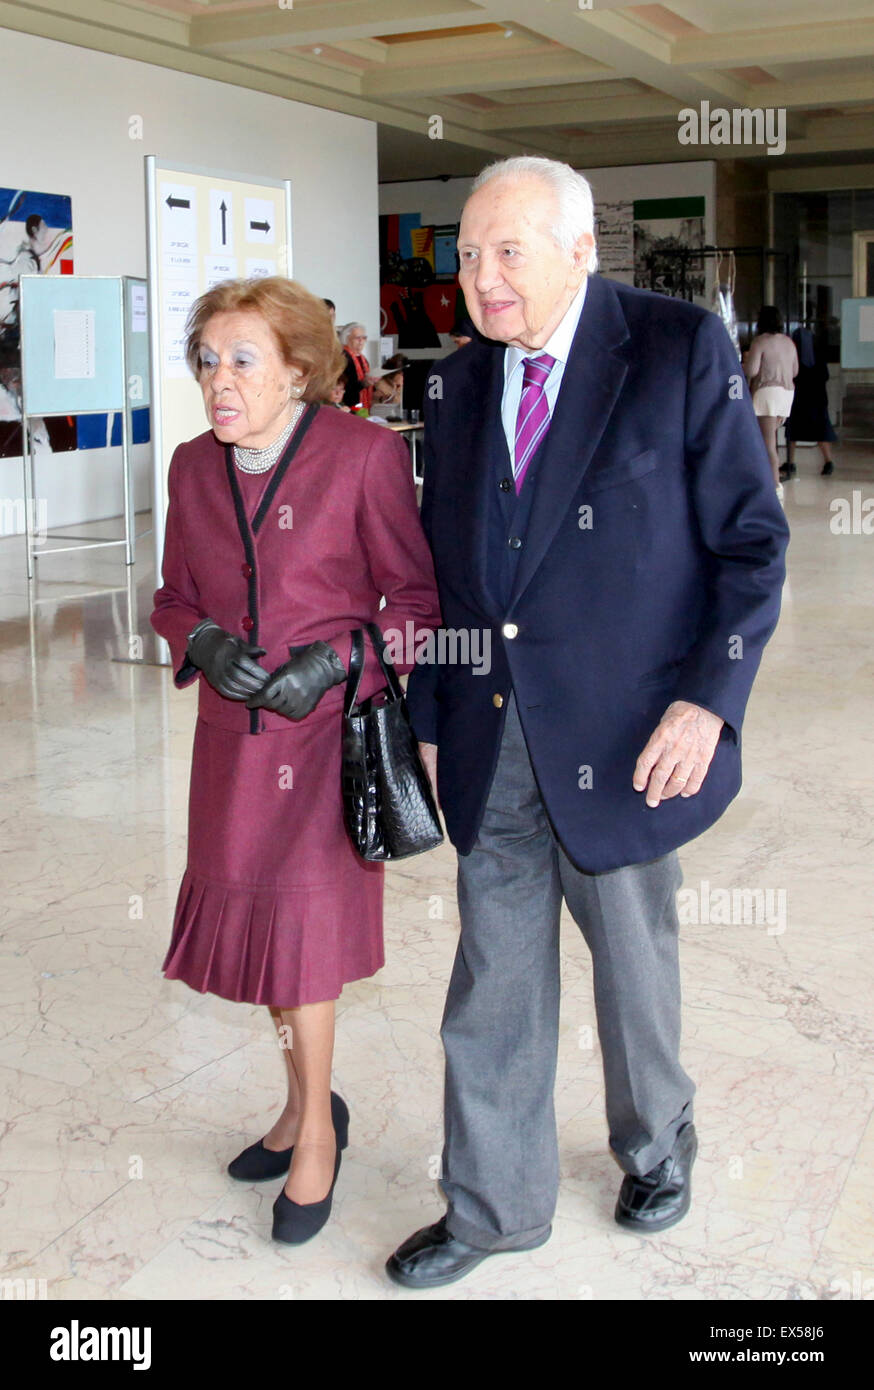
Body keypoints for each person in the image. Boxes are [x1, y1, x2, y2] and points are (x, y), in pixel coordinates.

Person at [386, 156, 789, 1290]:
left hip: (628, 735)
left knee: (631, 966)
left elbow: (750, 546)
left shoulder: (672, 348)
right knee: (492, 982)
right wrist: (430, 708)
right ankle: (493, 1206)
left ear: (579, 250)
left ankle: (657, 1140)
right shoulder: (457, 388)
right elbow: (446, 577)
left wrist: (708, 699)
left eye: (507, 251)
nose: (480, 278)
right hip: (489, 734)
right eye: (466, 255)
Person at [150, 276, 440, 1247]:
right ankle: (300, 1101)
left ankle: (315, 1130)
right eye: (206, 360)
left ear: (299, 370)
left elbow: (412, 606)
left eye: (241, 361)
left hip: (326, 746)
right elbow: (171, 597)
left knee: (306, 947)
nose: (217, 381)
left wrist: (335, 660)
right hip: (232, 753)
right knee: (271, 945)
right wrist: (200, 643)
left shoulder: (362, 458)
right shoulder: (192, 467)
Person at [743, 306, 798, 498]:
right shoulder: (789, 342)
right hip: (787, 393)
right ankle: (770, 482)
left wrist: (744, 363)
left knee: (768, 445)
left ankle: (774, 486)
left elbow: (751, 371)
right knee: (771, 441)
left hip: (767, 393)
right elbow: (796, 370)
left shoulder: (760, 342)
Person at [782, 324, 837, 478]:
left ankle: (790, 462)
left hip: (799, 399)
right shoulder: (819, 355)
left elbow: (792, 374)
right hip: (818, 399)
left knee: (793, 432)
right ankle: (828, 462)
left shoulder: (794, 355)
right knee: (820, 432)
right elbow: (825, 376)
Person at [340, 322, 374, 411]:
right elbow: (344, 385)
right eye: (357, 338)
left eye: (364, 338)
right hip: (348, 405)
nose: (361, 341)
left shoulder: (363, 359)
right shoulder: (343, 357)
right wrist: (363, 383)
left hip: (362, 405)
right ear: (347, 339)